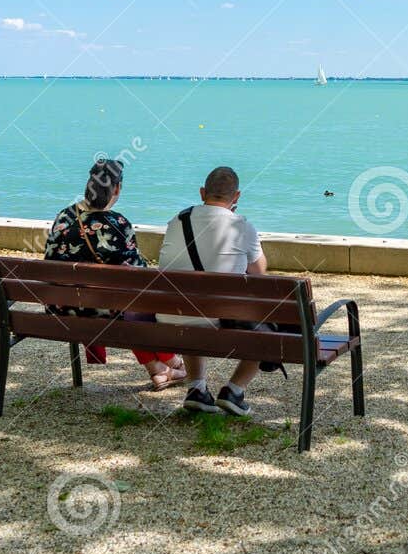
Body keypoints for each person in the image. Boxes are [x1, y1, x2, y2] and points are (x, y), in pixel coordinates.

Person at [44, 158, 186, 389]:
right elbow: (140, 276)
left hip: (64, 309)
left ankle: (160, 371)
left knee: (127, 303)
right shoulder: (119, 223)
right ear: (117, 188)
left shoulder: (64, 217)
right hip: (105, 312)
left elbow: (50, 263)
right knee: (138, 304)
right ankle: (171, 361)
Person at [157, 166, 272, 417]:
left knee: (190, 303)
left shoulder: (177, 221)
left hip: (171, 316)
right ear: (237, 197)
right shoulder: (242, 226)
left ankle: (197, 388)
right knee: (268, 323)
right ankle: (234, 390)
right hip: (219, 320)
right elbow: (260, 273)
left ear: (202, 193)